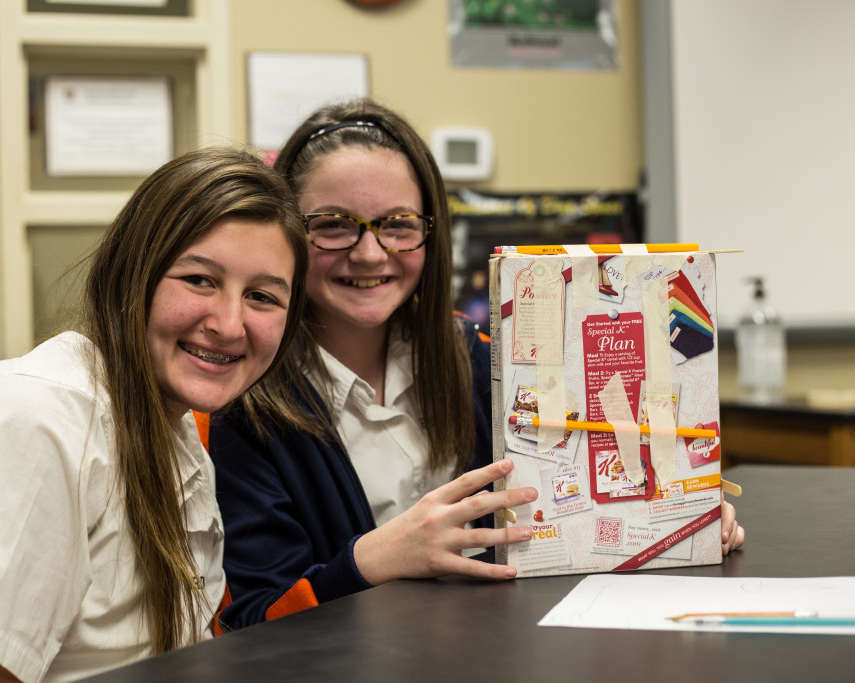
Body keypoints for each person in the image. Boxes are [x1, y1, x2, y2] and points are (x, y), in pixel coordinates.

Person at [209, 99, 744, 633]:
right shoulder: (241, 405)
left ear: (430, 232)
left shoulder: (486, 354)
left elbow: (581, 490)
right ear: (286, 234)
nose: (370, 253)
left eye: (397, 224)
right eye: (332, 224)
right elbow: (251, 625)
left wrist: (671, 514)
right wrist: (371, 561)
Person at [0, 147, 309, 682]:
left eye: (263, 297)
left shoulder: (175, 435)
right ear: (133, 275)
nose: (228, 323)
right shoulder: (31, 423)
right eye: (199, 280)